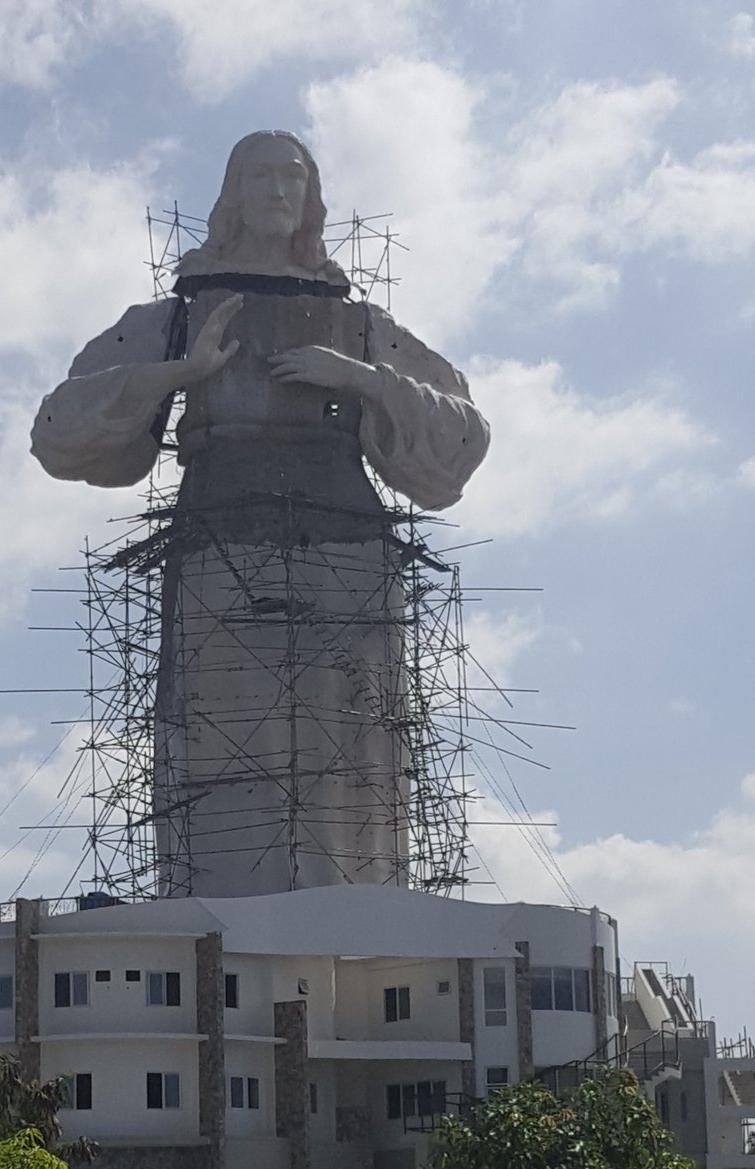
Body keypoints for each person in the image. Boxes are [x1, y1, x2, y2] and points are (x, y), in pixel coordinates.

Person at [32, 130, 490, 899]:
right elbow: (57, 430)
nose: (277, 191)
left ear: (312, 196)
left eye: (292, 176)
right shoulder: (182, 314)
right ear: (232, 194)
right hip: (221, 545)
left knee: (353, 759)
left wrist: (366, 380)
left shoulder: (358, 322)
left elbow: (465, 434)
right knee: (224, 761)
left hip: (350, 555)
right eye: (259, 176)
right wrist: (182, 372)